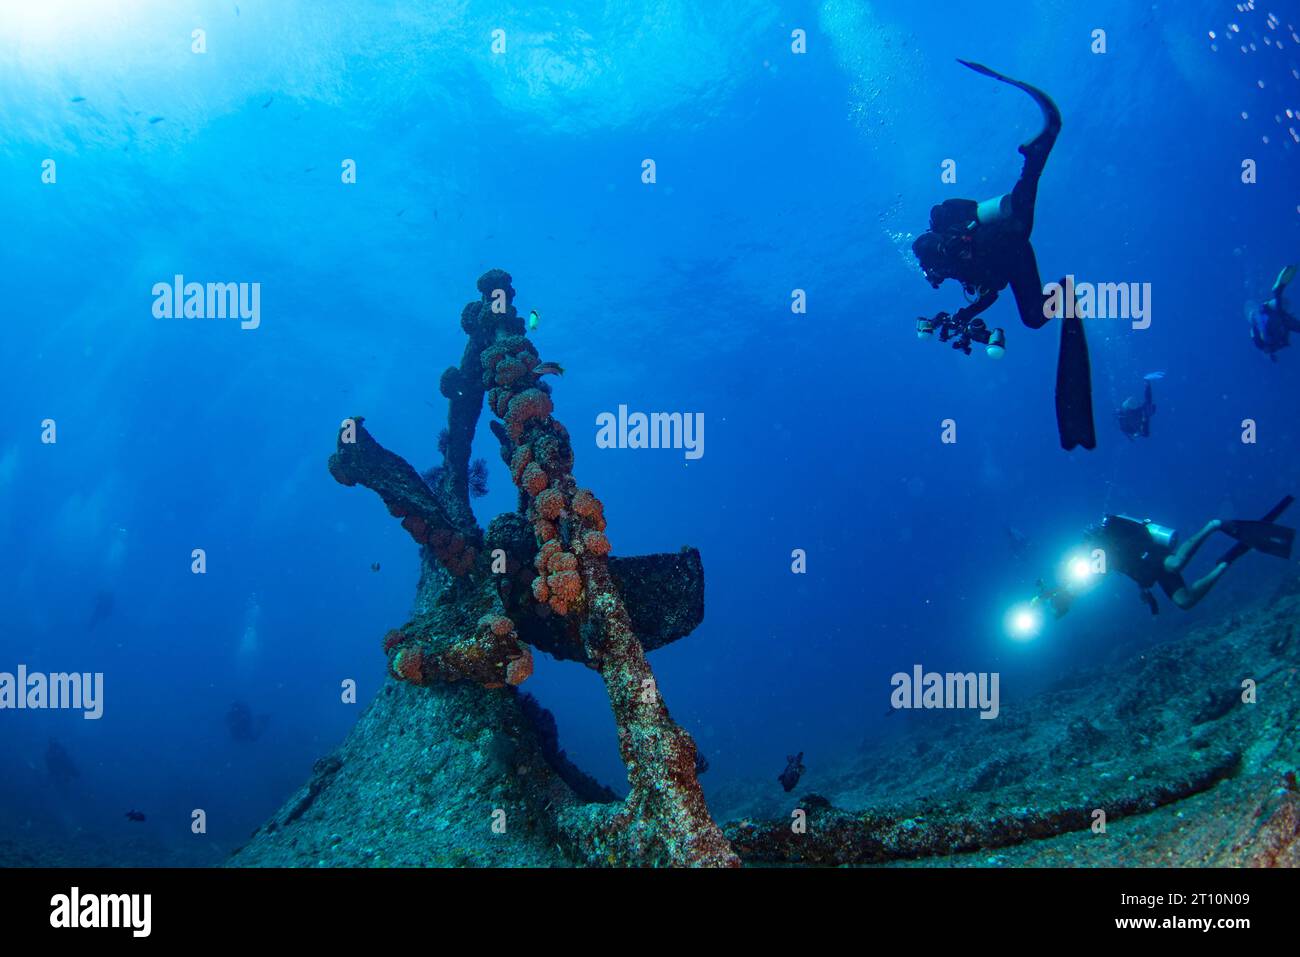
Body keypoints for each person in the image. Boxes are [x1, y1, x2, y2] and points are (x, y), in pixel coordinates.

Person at [912, 60, 1095, 451]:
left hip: (1003, 237)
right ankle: (1065, 291)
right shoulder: (960, 277)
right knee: (1032, 318)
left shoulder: (934, 249)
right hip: (1014, 260)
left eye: (932, 273)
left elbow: (921, 245)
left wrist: (944, 249)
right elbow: (991, 293)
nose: (933, 278)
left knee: (1023, 212)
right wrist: (965, 315)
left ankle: (1038, 149)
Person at [1083, 497, 1293, 614]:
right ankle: (1225, 562)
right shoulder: (1108, 561)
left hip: (1154, 554)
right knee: (1185, 601)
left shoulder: (1112, 533)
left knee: (1174, 564)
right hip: (1153, 573)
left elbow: (1136, 541)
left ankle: (1213, 525)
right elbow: (1130, 570)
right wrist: (1144, 590)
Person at [1249, 265, 1299, 360]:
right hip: (1277, 321)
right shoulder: (1269, 345)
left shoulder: (1264, 343)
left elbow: (1261, 333)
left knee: (1278, 317)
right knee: (1280, 316)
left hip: (1272, 322)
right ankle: (1277, 292)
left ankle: (1277, 292)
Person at [1116, 372, 1161, 440]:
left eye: (1150, 411)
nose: (1149, 411)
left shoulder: (1144, 415)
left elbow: (1146, 433)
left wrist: (1147, 382)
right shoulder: (1142, 411)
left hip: (1130, 420)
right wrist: (1147, 382)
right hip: (1128, 415)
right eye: (1150, 410)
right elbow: (1148, 397)